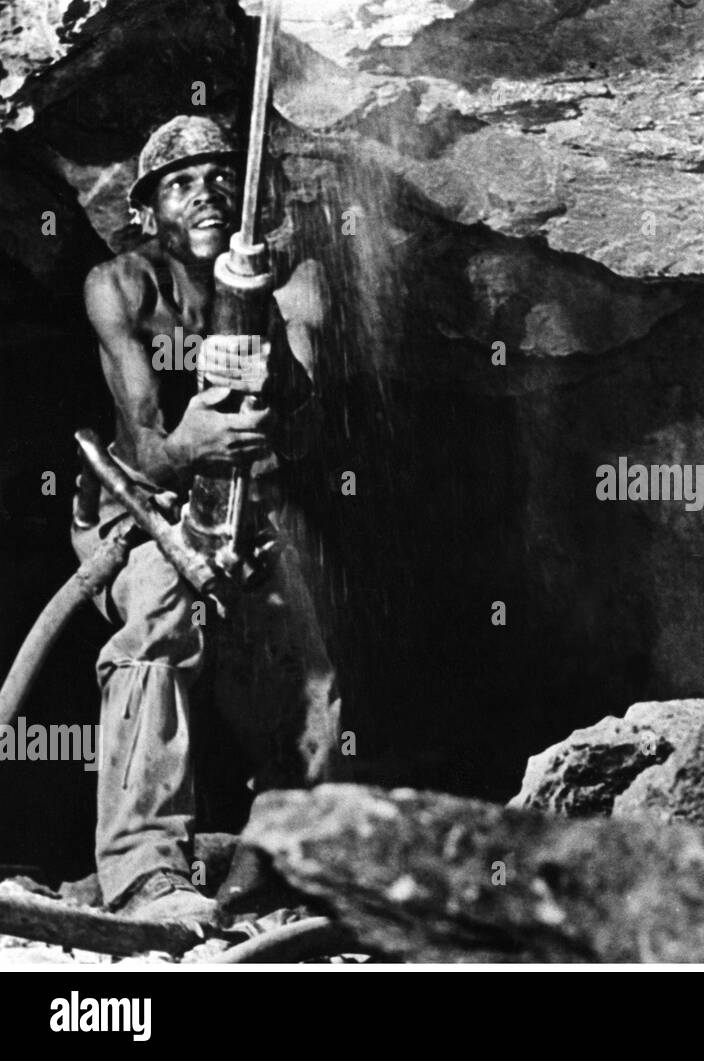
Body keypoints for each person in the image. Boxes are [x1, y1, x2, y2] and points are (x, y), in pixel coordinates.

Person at [74, 115, 341, 921]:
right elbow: (146, 444)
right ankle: (143, 870)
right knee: (159, 619)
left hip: (249, 505)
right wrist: (192, 439)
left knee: (310, 670)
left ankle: (283, 864)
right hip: (137, 507)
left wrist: (261, 318)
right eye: (181, 183)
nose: (206, 194)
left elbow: (302, 431)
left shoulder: (296, 282)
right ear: (148, 210)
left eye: (221, 176)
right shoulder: (122, 285)